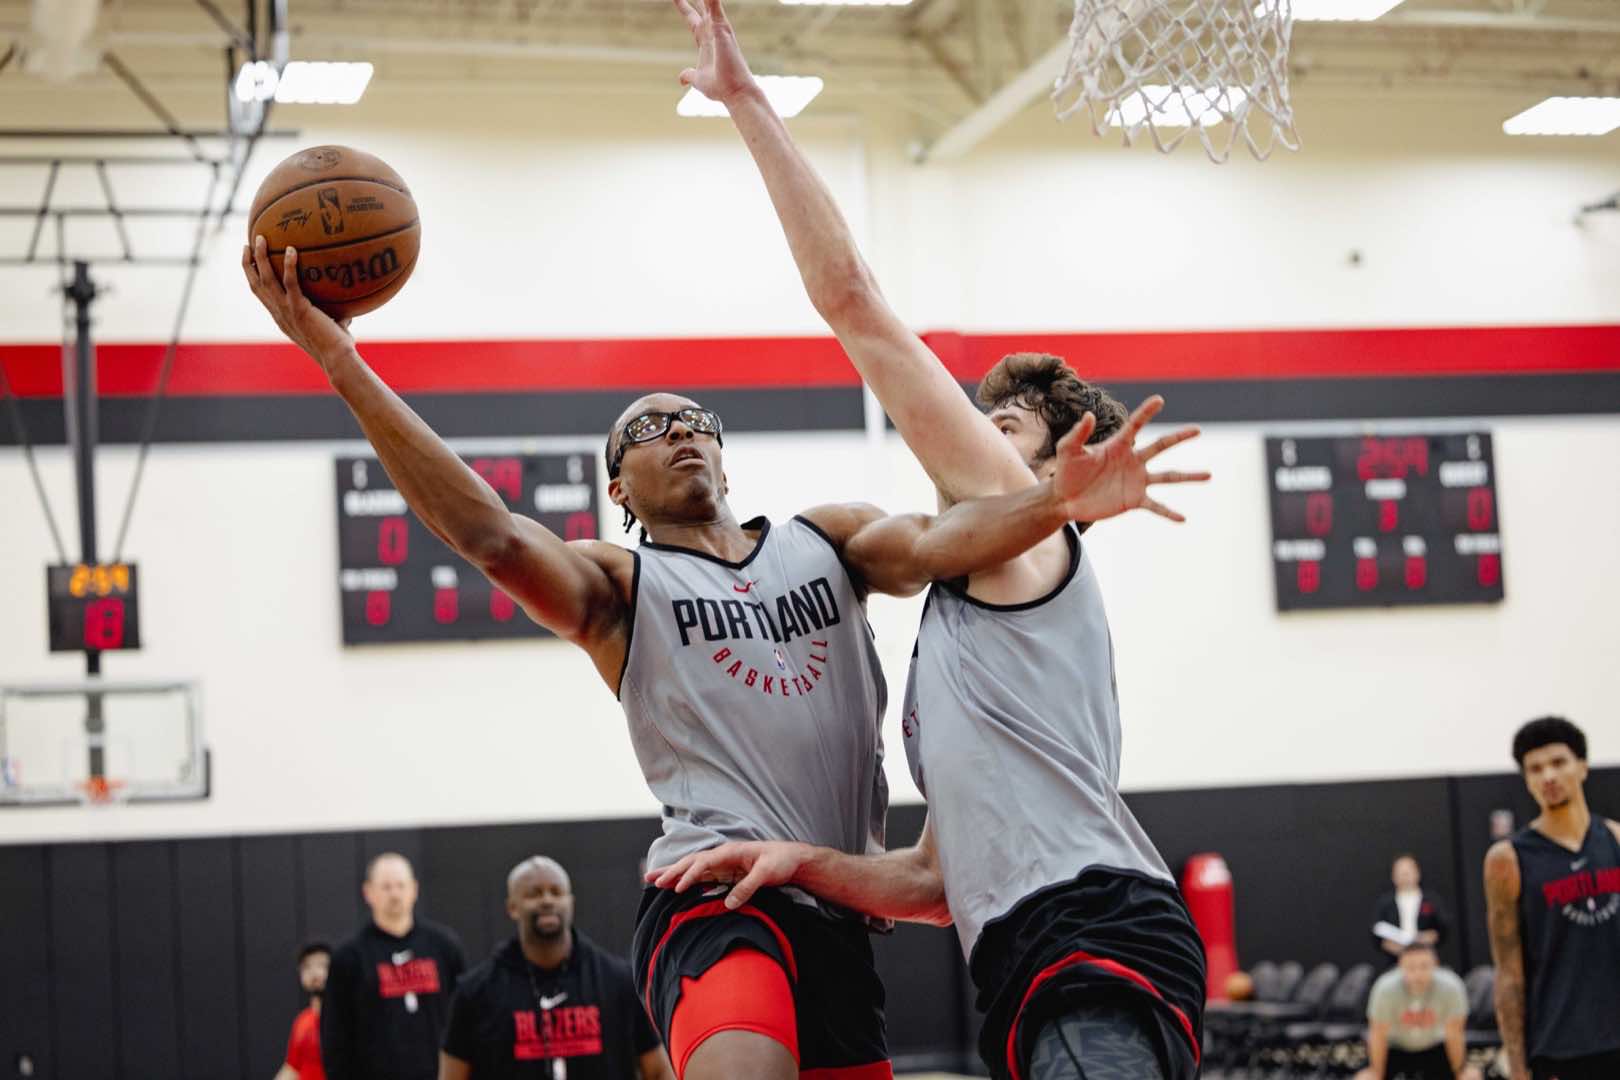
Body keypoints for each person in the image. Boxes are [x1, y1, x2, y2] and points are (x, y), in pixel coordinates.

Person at [244, 220, 1195, 1080]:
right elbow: (490, 535)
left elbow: (950, 542)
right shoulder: (619, 588)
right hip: (713, 898)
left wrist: (1053, 504)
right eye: (649, 430)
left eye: (696, 421)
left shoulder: (828, 541)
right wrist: (341, 361)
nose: (681, 433)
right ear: (619, 484)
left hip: (835, 911)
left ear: (726, 456)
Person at [651, 5, 1211, 1079]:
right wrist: (802, 862)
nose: (970, 434)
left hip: (1090, 938)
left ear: (1051, 470)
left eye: (1001, 431)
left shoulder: (1020, 543)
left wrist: (751, 104)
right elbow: (937, 882)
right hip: (1032, 955)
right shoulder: (969, 606)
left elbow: (852, 301)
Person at [441, 857, 673, 1080]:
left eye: (556, 892)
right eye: (534, 893)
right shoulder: (474, 993)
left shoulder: (619, 982)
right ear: (512, 907)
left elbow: (658, 1070)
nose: (547, 900)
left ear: (570, 902)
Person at [1484, 717, 1620, 1080]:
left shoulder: (1616, 839)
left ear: (1583, 767)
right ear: (1527, 780)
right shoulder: (1507, 859)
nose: (1548, 776)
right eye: (1535, 768)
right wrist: (1517, 1067)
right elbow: (1509, 974)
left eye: (1558, 762)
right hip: (1558, 1047)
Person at [321, 853, 467, 1080]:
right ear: (368, 892)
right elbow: (335, 1035)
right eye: (386, 887)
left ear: (414, 889)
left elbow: (465, 1019)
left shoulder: (444, 946)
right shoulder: (348, 956)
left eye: (401, 885)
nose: (395, 894)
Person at [1354, 944, 1479, 1080]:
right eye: (1411, 967)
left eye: (1424, 966)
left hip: (1435, 1047)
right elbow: (1378, 1035)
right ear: (1400, 966)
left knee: (1470, 1077)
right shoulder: (1385, 989)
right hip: (1395, 1048)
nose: (1418, 974)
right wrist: (1376, 1072)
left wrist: (1459, 1070)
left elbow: (1454, 1034)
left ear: (1435, 965)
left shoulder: (1451, 986)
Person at [1370, 854, 1450, 963]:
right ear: (1393, 876)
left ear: (1417, 873)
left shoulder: (1432, 900)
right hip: (1394, 961)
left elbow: (1442, 927)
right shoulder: (1385, 903)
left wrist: (1427, 938)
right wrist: (1391, 945)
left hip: (1426, 958)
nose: (1405, 875)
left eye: (1408, 871)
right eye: (1400, 872)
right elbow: (1377, 931)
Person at [274, 941, 332, 1080]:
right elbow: (292, 1067)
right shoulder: (302, 1021)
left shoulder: (349, 1018)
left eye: (322, 965)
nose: (315, 973)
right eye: (307, 967)